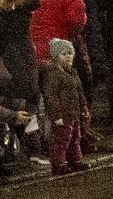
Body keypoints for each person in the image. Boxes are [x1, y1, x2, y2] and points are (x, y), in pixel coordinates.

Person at [39, 38, 91, 175]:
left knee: (75, 138)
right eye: (64, 54)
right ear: (56, 57)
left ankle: (75, 160)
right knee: (61, 140)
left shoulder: (73, 73)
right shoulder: (53, 74)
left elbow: (79, 92)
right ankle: (59, 163)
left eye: (70, 53)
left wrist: (84, 107)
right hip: (63, 114)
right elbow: (51, 97)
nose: (68, 56)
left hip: (74, 113)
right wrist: (56, 115)